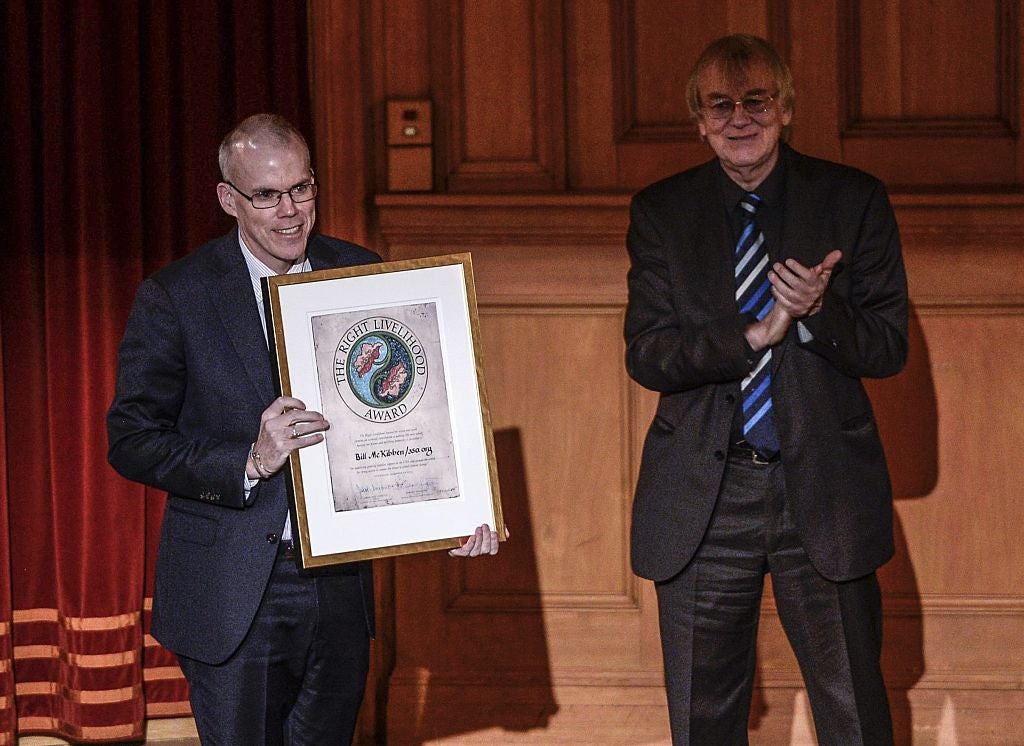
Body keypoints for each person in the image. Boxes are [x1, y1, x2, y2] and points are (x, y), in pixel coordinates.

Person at [107, 113, 501, 744]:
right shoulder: (179, 295)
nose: (289, 211)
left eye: (302, 188)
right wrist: (251, 460)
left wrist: (451, 512)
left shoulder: (361, 273)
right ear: (229, 200)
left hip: (338, 590)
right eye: (266, 195)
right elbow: (130, 439)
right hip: (232, 591)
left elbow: (404, 411)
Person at [624, 35, 907, 744]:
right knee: (704, 717)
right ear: (698, 119)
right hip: (704, 498)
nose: (739, 118)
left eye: (756, 101)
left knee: (853, 711)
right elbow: (650, 354)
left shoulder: (852, 199)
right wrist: (753, 335)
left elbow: (887, 346)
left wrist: (816, 311)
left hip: (825, 488)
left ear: (785, 109)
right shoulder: (662, 211)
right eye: (720, 104)